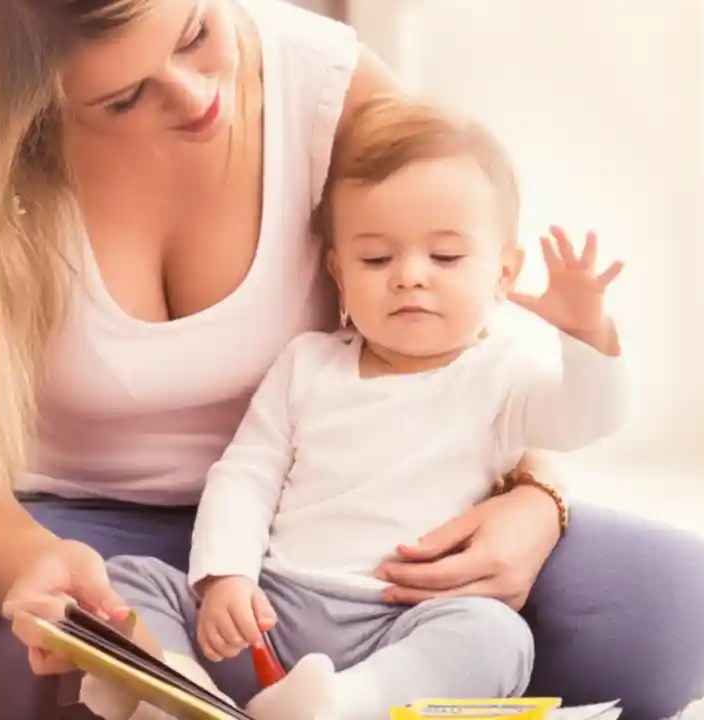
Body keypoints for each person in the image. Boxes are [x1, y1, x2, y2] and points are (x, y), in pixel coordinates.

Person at [0, 1, 704, 719]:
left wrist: (536, 500)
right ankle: (202, 680)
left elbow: (469, 333)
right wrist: (33, 573)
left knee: (668, 608)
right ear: (15, 92)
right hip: (89, 544)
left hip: (352, 534)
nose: (197, 93)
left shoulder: (328, 86)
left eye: (198, 31)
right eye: (123, 97)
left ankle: (212, 693)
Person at [63, 95, 633, 720]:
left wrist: (586, 334)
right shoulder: (308, 364)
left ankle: (342, 706)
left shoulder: (502, 376)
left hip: (401, 620)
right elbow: (247, 475)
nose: (409, 276)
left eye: (445, 257)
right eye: (376, 258)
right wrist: (227, 578)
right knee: (130, 581)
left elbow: (585, 420)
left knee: (496, 637)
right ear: (338, 273)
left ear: (504, 273)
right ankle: (178, 691)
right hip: (270, 614)